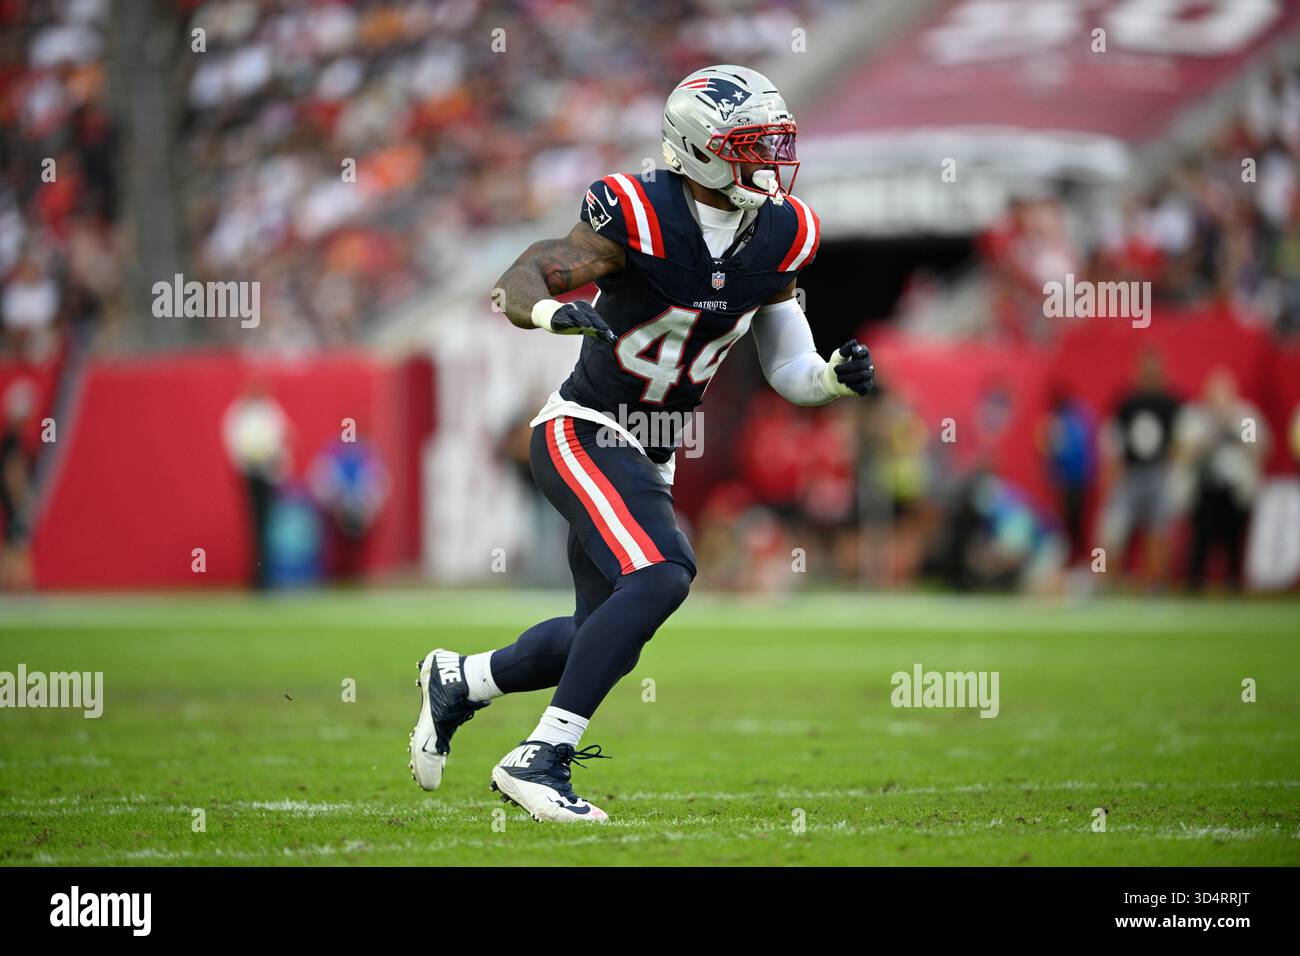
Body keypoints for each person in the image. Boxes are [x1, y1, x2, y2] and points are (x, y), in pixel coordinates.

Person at [407, 66, 875, 823]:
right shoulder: (638, 210)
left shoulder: (785, 232)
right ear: (699, 150)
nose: (772, 161)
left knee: (604, 640)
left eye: (776, 144)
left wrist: (832, 380)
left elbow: (788, 366)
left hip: (649, 451)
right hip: (582, 429)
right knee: (664, 574)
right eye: (752, 145)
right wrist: (552, 314)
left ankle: (462, 680)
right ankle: (541, 757)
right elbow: (524, 275)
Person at [1175, 368, 1270, 590]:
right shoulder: (1196, 416)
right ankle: (1194, 585)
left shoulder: (1245, 416)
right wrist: (1206, 441)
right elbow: (1183, 452)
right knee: (1200, 542)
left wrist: (1234, 433)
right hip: (1204, 489)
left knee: (1234, 543)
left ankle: (1234, 584)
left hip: (1235, 489)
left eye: (1224, 392)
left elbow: (1257, 449)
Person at [1097, 350, 1181, 585]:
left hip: (1159, 474)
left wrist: (1174, 474)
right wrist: (1110, 479)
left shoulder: (1173, 402)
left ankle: (1157, 585)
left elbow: (1181, 442)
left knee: (1159, 533)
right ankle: (1104, 581)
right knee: (1111, 532)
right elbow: (1113, 443)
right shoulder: (1125, 402)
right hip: (1130, 475)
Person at [221, 382, 290, 589]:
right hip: (251, 475)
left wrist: (273, 462)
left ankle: (268, 574)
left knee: (268, 526)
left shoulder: (270, 412)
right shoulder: (240, 413)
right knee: (256, 525)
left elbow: (281, 438)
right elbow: (235, 443)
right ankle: (257, 575)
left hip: (268, 475)